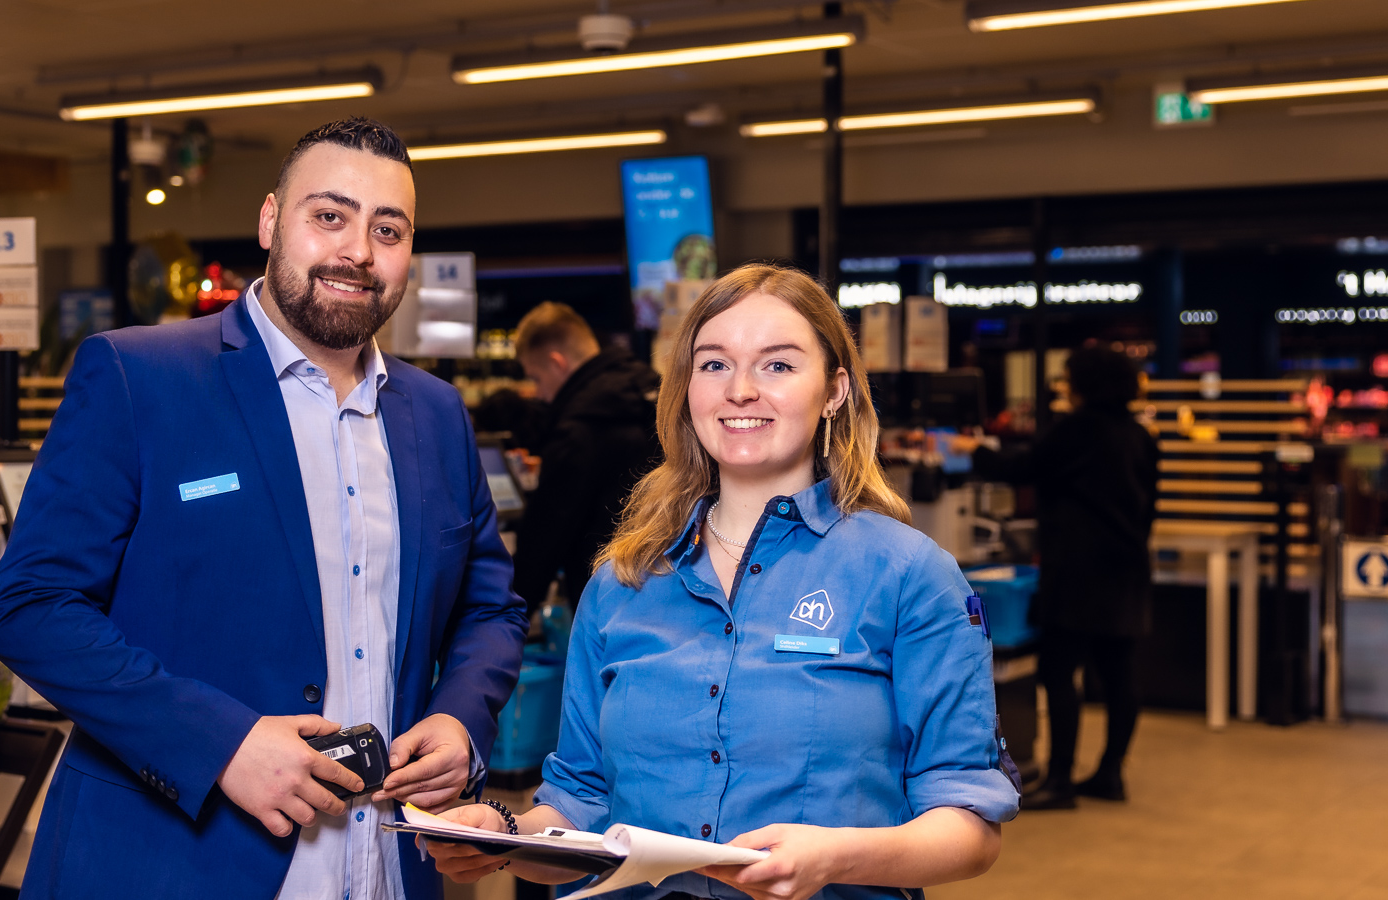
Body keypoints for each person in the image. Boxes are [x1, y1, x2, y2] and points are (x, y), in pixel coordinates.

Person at [0, 117, 527, 900]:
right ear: (271, 220)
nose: (357, 251)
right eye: (329, 216)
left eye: (388, 229)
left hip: (382, 868)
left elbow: (489, 608)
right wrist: (223, 744)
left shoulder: (437, 414)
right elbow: (32, 608)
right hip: (170, 866)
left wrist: (460, 721)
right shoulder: (140, 377)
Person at [423, 265, 1019, 900]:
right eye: (714, 365)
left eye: (778, 365)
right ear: (686, 389)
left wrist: (834, 857)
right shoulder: (621, 582)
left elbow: (969, 828)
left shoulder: (909, 575)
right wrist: (504, 836)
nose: (740, 390)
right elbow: (580, 806)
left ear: (835, 390)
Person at [957, 347, 1159, 809]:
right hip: (1127, 569)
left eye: (1068, 379)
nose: (1063, 387)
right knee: (1119, 675)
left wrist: (974, 451)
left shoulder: (1077, 429)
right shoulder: (1139, 436)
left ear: (1086, 383)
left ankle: (1061, 780)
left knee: (1059, 670)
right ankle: (1110, 773)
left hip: (1078, 571)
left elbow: (1022, 468)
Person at [510, 301, 661, 607]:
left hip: (606, 603)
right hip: (673, 595)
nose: (539, 394)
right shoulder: (657, 396)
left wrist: (506, 615)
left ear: (557, 363)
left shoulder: (579, 430)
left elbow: (542, 544)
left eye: (536, 378)